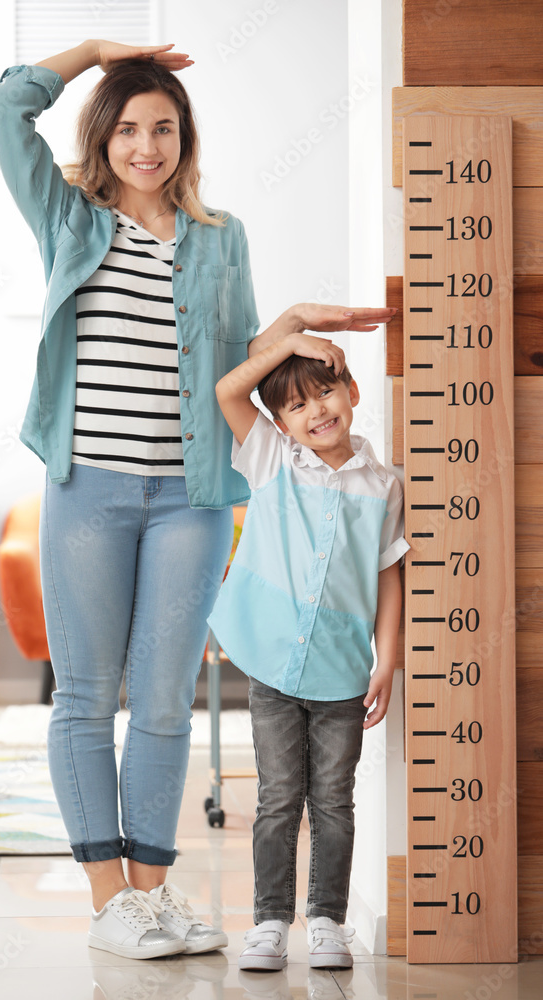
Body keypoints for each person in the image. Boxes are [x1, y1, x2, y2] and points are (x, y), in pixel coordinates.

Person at [0, 36, 397, 961]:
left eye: (162, 128)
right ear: (102, 135)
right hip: (87, 485)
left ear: (184, 137)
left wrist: (290, 328)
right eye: (127, 128)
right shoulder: (68, 217)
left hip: (194, 495)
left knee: (167, 700)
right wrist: (91, 52)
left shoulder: (221, 236)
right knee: (88, 695)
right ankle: (106, 901)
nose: (145, 146)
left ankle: (152, 893)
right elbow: (4, 111)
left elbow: (234, 357)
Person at [208, 331, 408, 971]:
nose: (317, 411)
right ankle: (269, 921)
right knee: (277, 798)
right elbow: (228, 391)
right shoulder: (271, 458)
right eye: (296, 406)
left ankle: (327, 920)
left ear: (351, 392)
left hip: (341, 670)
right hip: (271, 662)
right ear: (281, 422)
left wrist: (389, 659)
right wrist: (293, 333)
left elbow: (387, 575)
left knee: (333, 802)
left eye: (326, 392)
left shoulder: (384, 486)